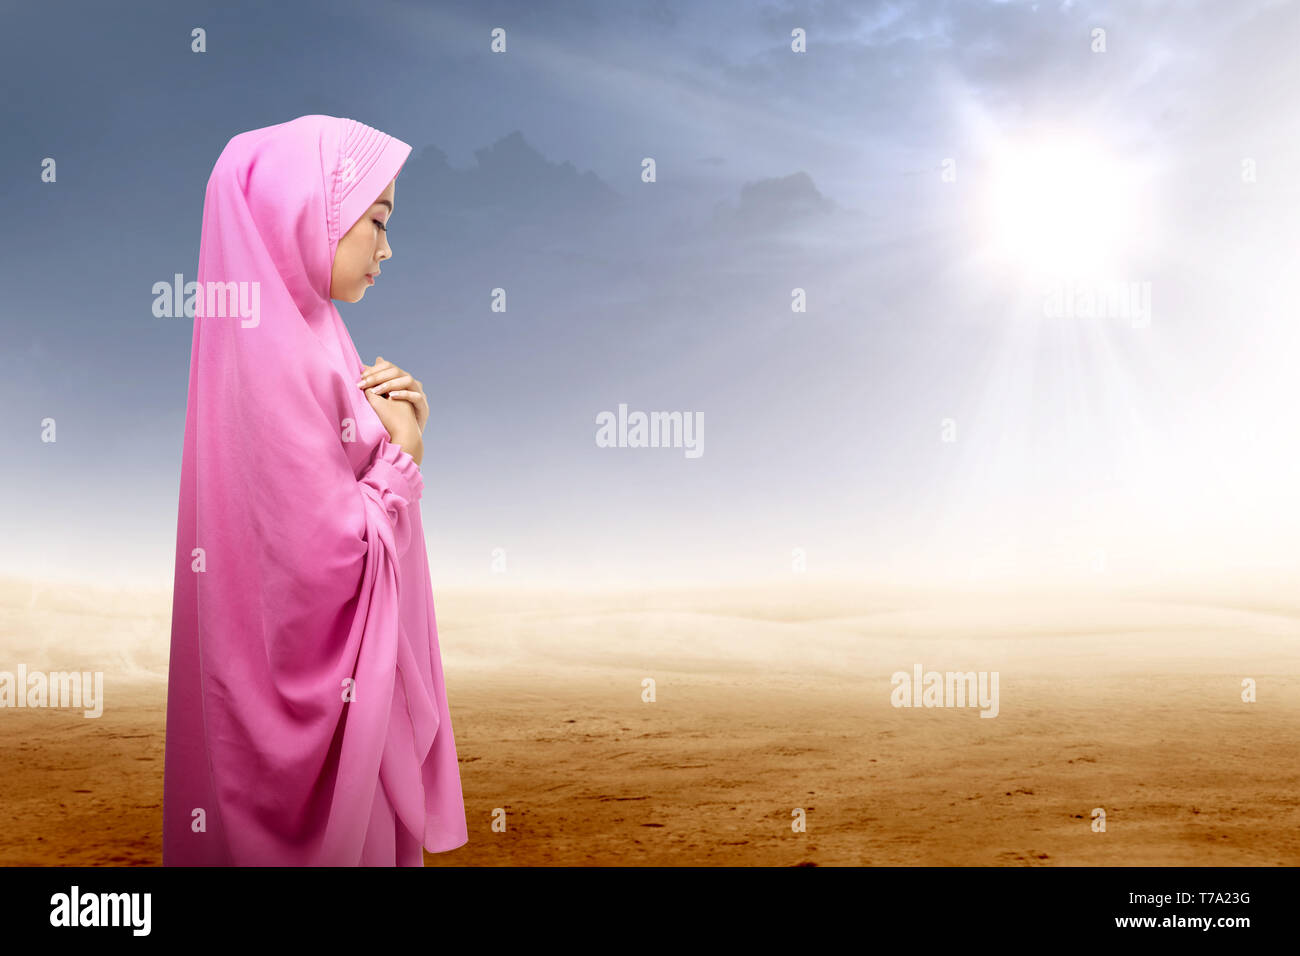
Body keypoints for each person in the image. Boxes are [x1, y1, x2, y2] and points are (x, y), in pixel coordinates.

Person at [163, 115, 468, 865]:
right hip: (322, 739)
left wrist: (397, 427)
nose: (387, 248)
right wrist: (402, 455)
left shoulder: (301, 338)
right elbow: (318, 570)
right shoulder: (286, 365)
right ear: (309, 209)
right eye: (377, 220)